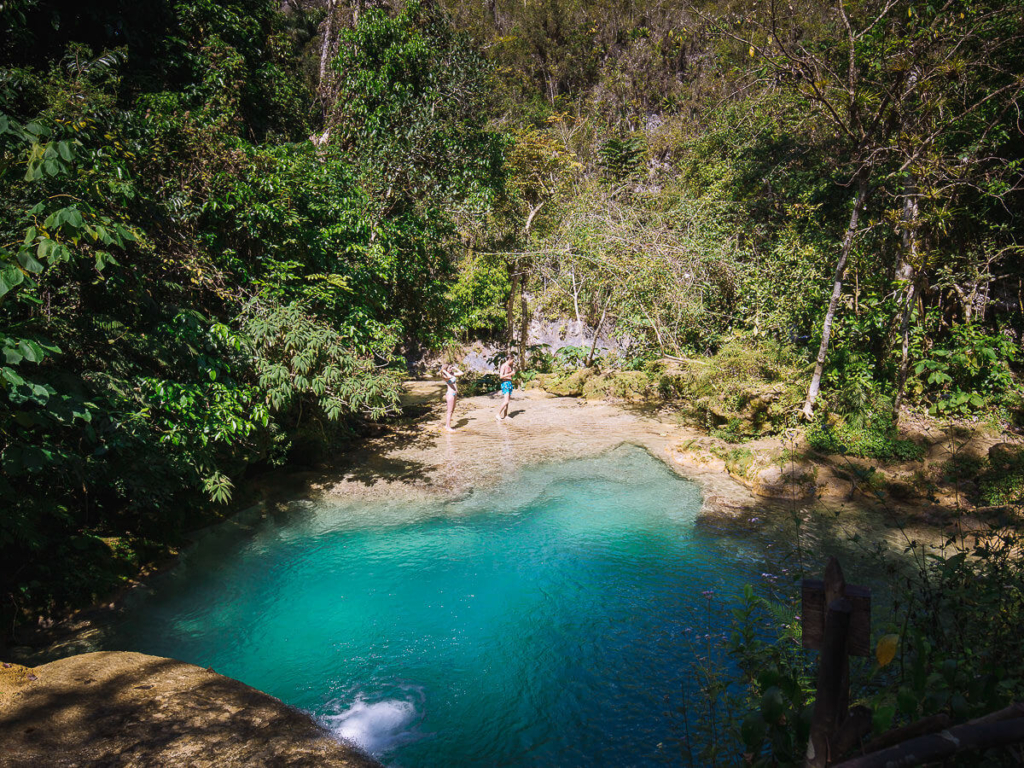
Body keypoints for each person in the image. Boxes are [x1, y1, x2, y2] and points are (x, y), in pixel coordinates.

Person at [439, 362, 465, 432]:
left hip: (455, 394)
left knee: (452, 410)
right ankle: (448, 427)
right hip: (450, 394)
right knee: (449, 412)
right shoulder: (445, 376)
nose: (451, 369)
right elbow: (449, 377)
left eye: (451, 367)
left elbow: (461, 373)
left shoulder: (452, 374)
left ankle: (447, 425)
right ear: (446, 369)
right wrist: (444, 370)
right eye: (450, 368)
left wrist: (455, 368)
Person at [495, 356, 516, 421]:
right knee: (506, 401)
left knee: (508, 402)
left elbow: (512, 374)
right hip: (505, 383)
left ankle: (505, 415)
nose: (513, 362)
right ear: (510, 359)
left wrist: (513, 370)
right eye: (513, 360)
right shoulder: (503, 366)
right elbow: (501, 376)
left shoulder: (509, 366)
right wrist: (509, 374)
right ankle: (498, 414)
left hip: (509, 383)